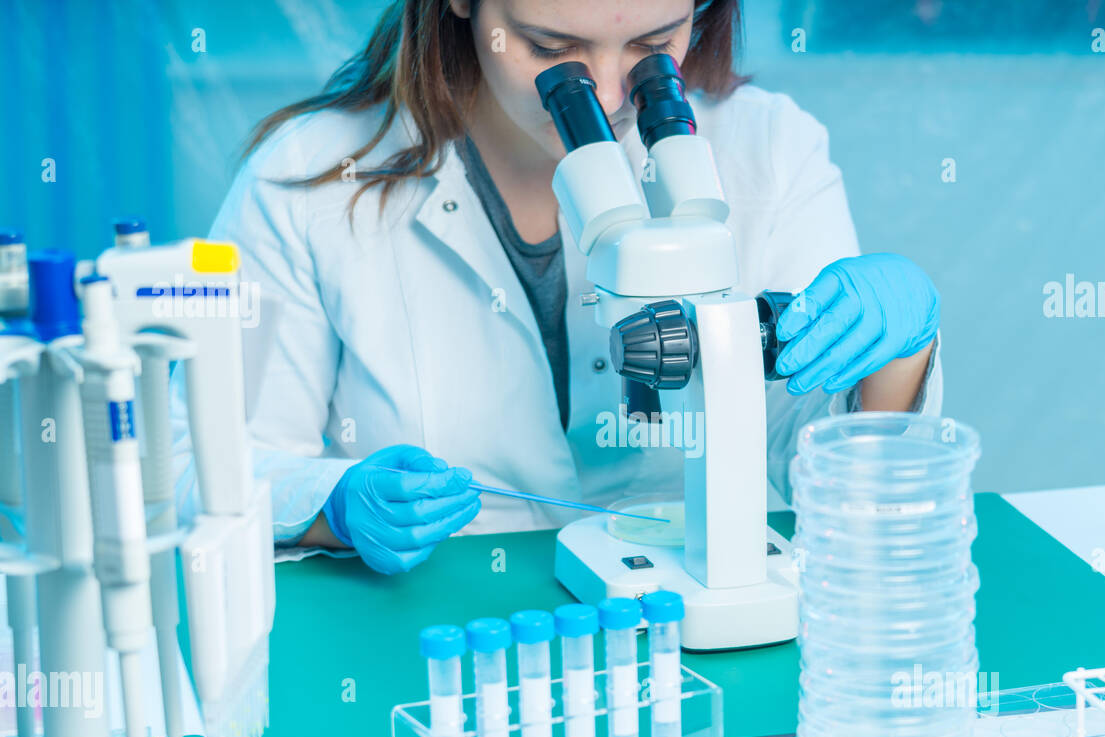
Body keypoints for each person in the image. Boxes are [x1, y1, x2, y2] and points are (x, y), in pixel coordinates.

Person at [172, 0, 942, 575]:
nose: (607, 95)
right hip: (443, 646)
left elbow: (834, 479)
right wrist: (330, 505)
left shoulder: (766, 149)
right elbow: (191, 465)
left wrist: (898, 355)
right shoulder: (307, 180)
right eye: (551, 47)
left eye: (652, 46)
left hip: (692, 635)